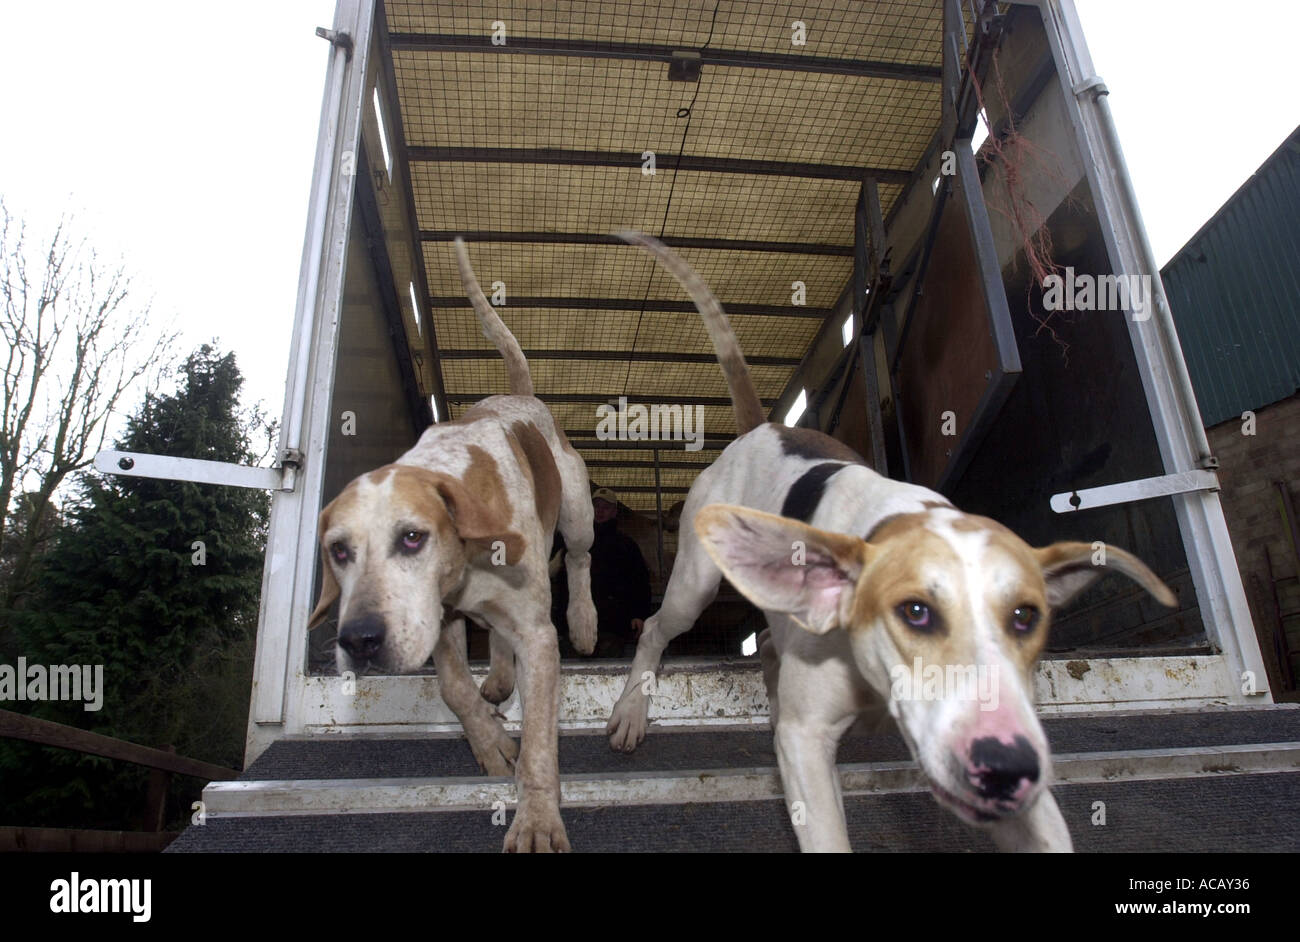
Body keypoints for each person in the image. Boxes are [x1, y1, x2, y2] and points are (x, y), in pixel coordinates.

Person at [550, 487, 653, 657]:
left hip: (612, 625)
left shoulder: (627, 545)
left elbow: (640, 582)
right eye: (596, 506)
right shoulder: (571, 540)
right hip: (573, 625)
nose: (600, 511)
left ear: (614, 512)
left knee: (609, 667)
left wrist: (639, 615)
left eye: (606, 507)